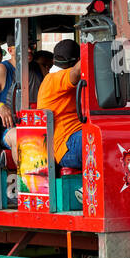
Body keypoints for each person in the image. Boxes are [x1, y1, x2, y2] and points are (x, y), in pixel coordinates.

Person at [30, 38, 82, 169]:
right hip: (67, 146)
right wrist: (94, 50)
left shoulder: (52, 77)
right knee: (96, 138)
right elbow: (75, 72)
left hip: (76, 137)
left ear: (53, 60)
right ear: (76, 61)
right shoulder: (54, 78)